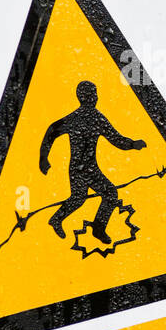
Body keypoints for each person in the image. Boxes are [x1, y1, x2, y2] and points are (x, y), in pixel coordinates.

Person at [39, 81, 146, 243]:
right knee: (108, 194)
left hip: (78, 169)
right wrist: (43, 158)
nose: (95, 97)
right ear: (89, 97)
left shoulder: (82, 118)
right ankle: (97, 227)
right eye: (93, 94)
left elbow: (116, 139)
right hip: (86, 169)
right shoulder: (92, 118)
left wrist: (132, 144)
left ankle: (58, 219)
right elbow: (52, 131)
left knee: (79, 198)